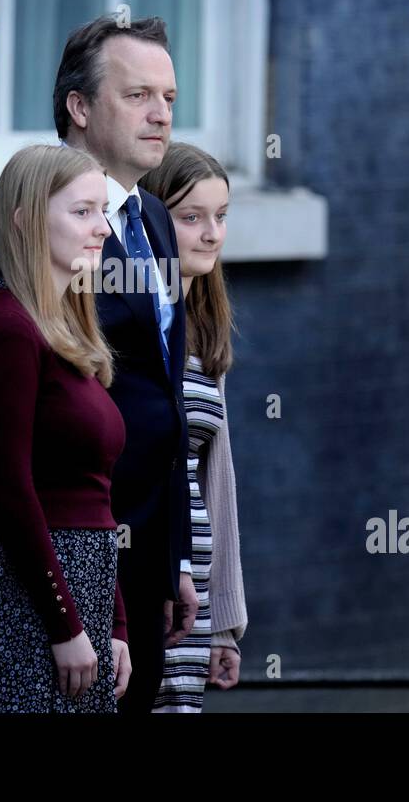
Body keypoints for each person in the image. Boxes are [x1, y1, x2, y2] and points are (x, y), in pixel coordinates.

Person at [0, 15, 198, 713]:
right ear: (79, 107)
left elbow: (168, 402)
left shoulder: (154, 219)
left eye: (170, 98)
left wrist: (174, 554)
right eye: (137, 96)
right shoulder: (26, 240)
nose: (160, 116)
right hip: (59, 567)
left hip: (140, 566)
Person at [0, 144, 132, 713]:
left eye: (104, 211)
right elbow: (6, 491)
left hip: (76, 596)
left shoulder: (63, 332)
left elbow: (93, 498)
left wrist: (113, 621)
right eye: (82, 212)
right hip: (22, 601)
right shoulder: (3, 331)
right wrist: (65, 624)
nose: (102, 229)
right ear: (25, 220)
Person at [140, 142, 248, 712]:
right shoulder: (128, 324)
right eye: (192, 217)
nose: (212, 234)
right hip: (137, 579)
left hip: (194, 588)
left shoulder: (205, 333)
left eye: (221, 217)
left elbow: (217, 483)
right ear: (154, 219)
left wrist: (224, 622)